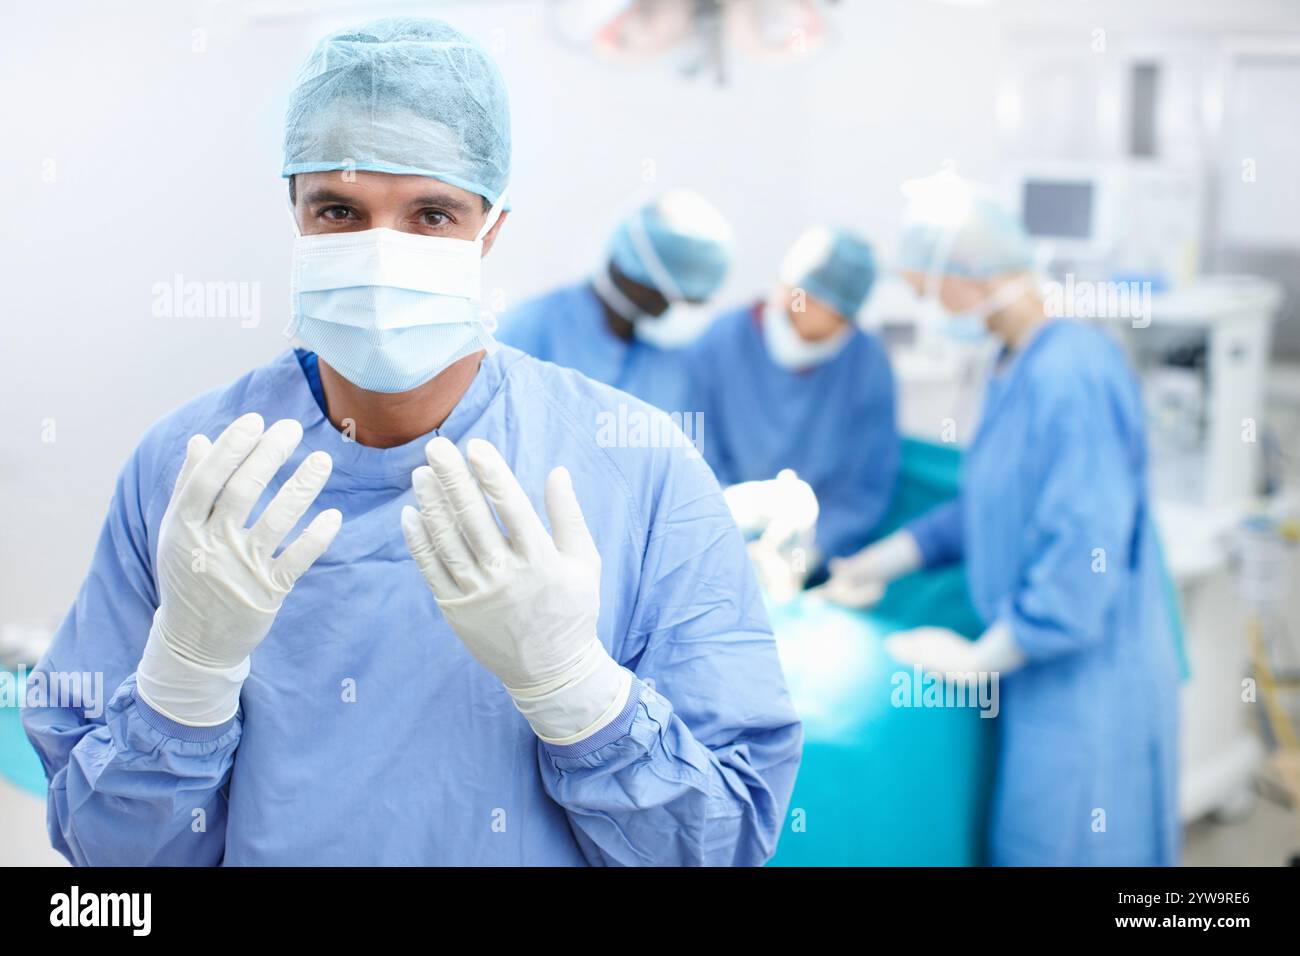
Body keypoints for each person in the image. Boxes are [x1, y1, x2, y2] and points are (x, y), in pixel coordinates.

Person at [22, 16, 801, 867]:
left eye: (432, 213)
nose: (380, 249)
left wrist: (578, 692)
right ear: (294, 213)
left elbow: (719, 848)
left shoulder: (641, 472)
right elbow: (109, 856)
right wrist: (185, 676)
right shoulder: (189, 471)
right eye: (339, 210)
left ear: (491, 228)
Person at [822, 173, 1180, 866]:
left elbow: (1082, 552)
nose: (928, 304)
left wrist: (982, 656)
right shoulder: (1009, 361)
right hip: (1041, 674)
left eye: (928, 287)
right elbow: (993, 502)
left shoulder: (1071, 373)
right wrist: (884, 559)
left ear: (969, 276)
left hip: (1087, 687)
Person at [687, 226, 899, 584]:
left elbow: (863, 489)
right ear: (786, 290)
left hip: (811, 567)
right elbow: (690, 460)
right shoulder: (718, 345)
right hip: (712, 548)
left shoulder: (866, 363)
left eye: (821, 335)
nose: (803, 340)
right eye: (796, 319)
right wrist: (733, 531)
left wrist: (806, 554)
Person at [496, 190, 732, 412]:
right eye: (686, 301)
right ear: (637, 282)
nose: (690, 313)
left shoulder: (669, 358)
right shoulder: (530, 331)